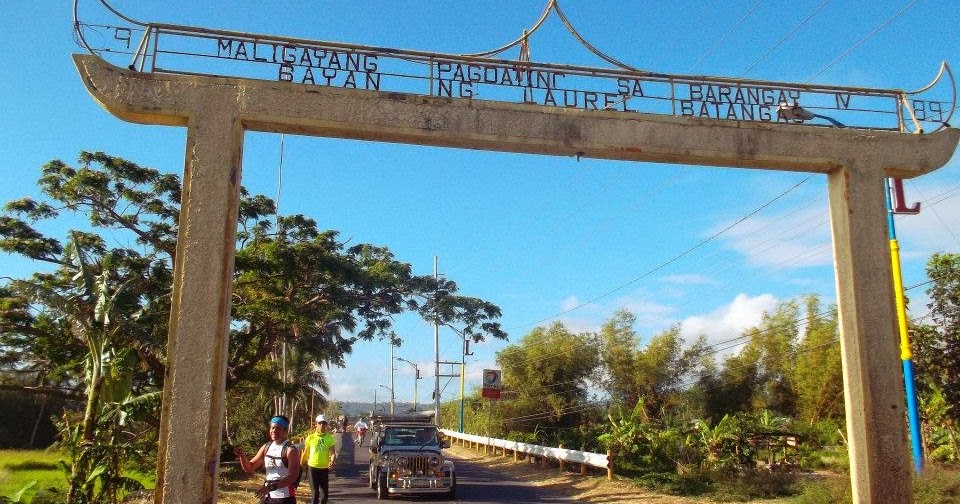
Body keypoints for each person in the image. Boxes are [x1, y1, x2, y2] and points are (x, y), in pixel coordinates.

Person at [234, 415, 301, 504]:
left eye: (278, 428)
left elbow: (293, 477)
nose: (274, 431)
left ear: (285, 431)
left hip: (284, 497)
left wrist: (270, 487)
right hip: (267, 496)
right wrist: (242, 456)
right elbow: (249, 468)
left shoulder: (290, 450)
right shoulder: (266, 447)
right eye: (272, 428)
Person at [301, 415, 337, 504]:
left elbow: (332, 452)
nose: (322, 425)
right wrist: (301, 466)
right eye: (320, 423)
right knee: (315, 493)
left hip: (324, 468)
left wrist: (332, 461)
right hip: (312, 468)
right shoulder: (310, 438)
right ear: (316, 424)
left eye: (324, 423)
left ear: (326, 425)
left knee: (325, 495)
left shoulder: (329, 438)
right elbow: (305, 453)